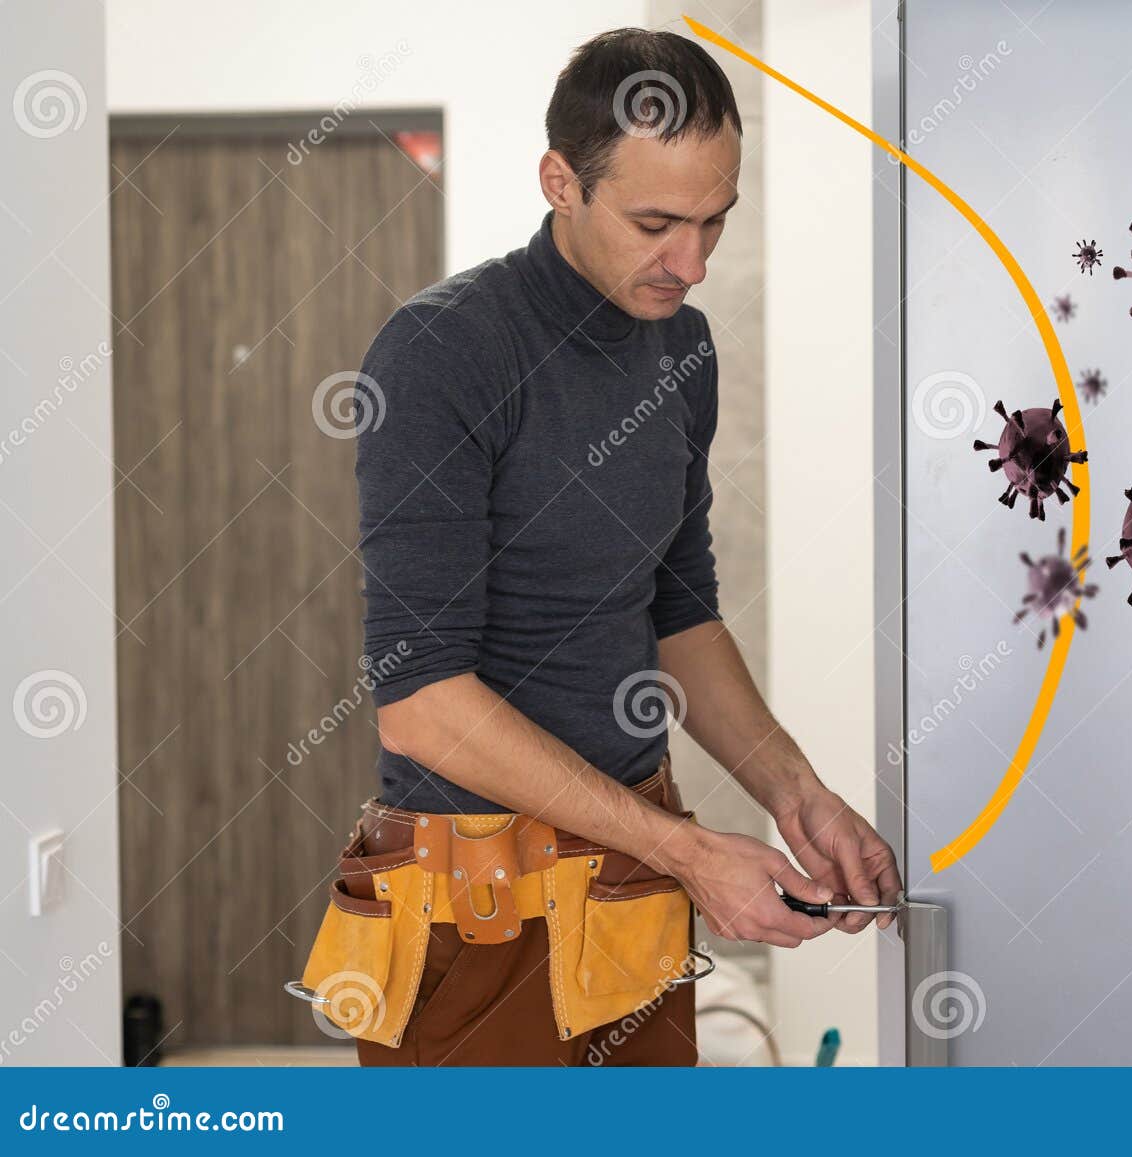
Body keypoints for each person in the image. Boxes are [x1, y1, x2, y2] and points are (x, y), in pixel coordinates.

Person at [309, 26, 901, 1067]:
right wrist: (689, 851)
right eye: (656, 224)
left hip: (629, 890)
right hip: (475, 909)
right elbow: (421, 700)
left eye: (715, 221)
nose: (693, 263)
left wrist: (795, 793)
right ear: (561, 183)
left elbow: (680, 610)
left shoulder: (683, 347)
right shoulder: (445, 350)